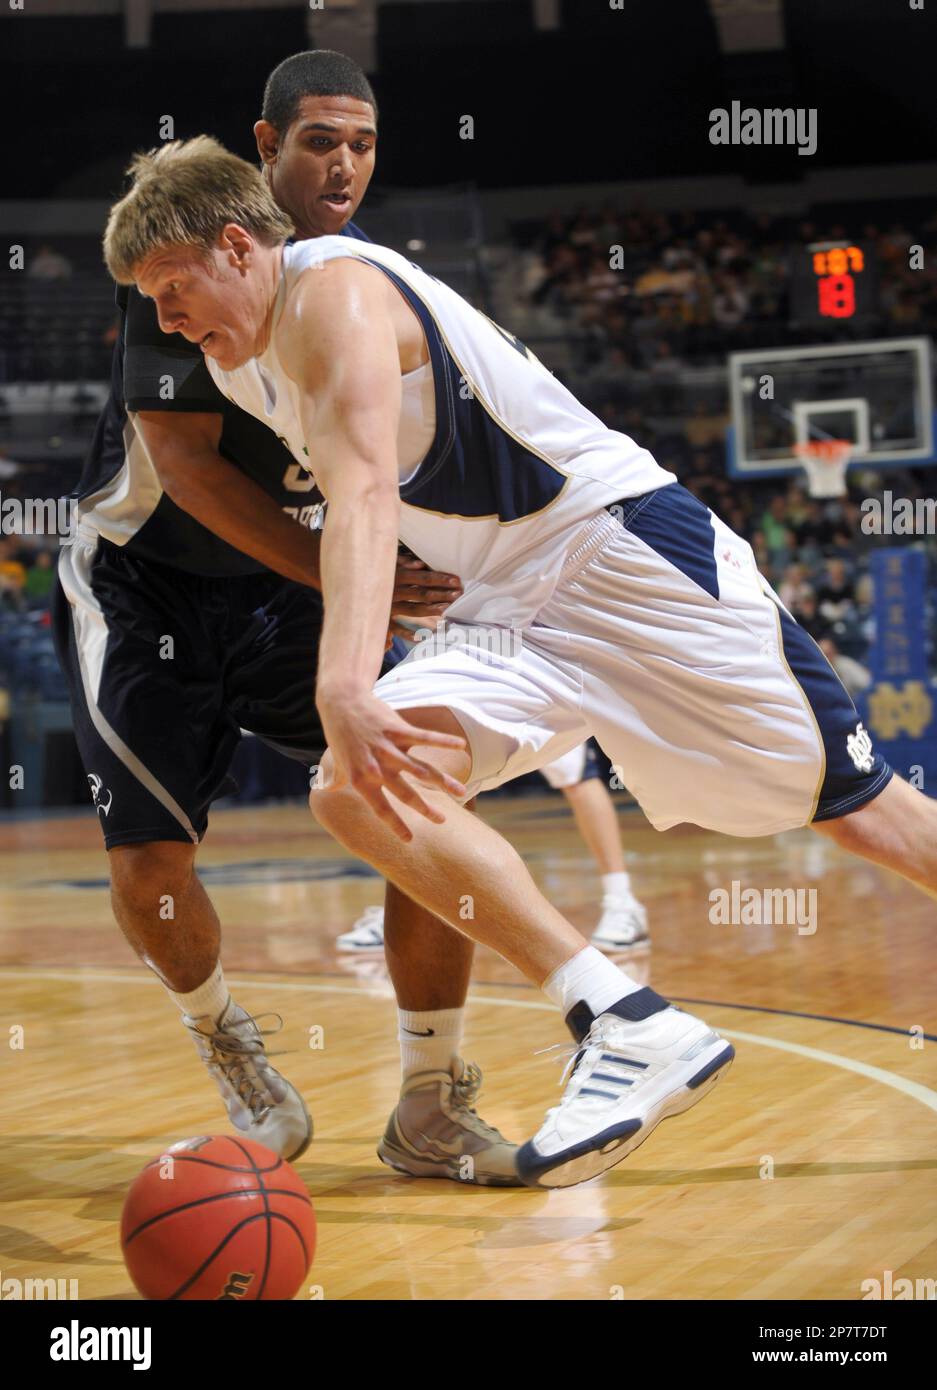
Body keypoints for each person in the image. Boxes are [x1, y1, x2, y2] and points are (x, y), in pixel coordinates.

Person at [105, 137, 937, 1192]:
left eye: (173, 290)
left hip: (621, 557)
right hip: (506, 607)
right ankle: (624, 1018)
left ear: (237, 246)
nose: (167, 322)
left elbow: (359, 489)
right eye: (149, 301)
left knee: (868, 814)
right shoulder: (242, 353)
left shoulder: (336, 297)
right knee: (360, 784)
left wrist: (342, 678)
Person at [54, 53, 519, 1186]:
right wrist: (334, 567)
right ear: (266, 150)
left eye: (361, 143)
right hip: (145, 580)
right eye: (319, 141)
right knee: (150, 860)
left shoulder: (358, 278)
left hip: (288, 585)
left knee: (416, 798)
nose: (344, 164)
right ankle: (241, 1068)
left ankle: (428, 1099)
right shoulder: (191, 260)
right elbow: (195, 472)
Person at [340, 737, 649, 952]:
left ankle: (622, 901)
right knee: (424, 778)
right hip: (449, 661)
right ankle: (405, 912)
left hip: (528, 658)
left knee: (576, 775)